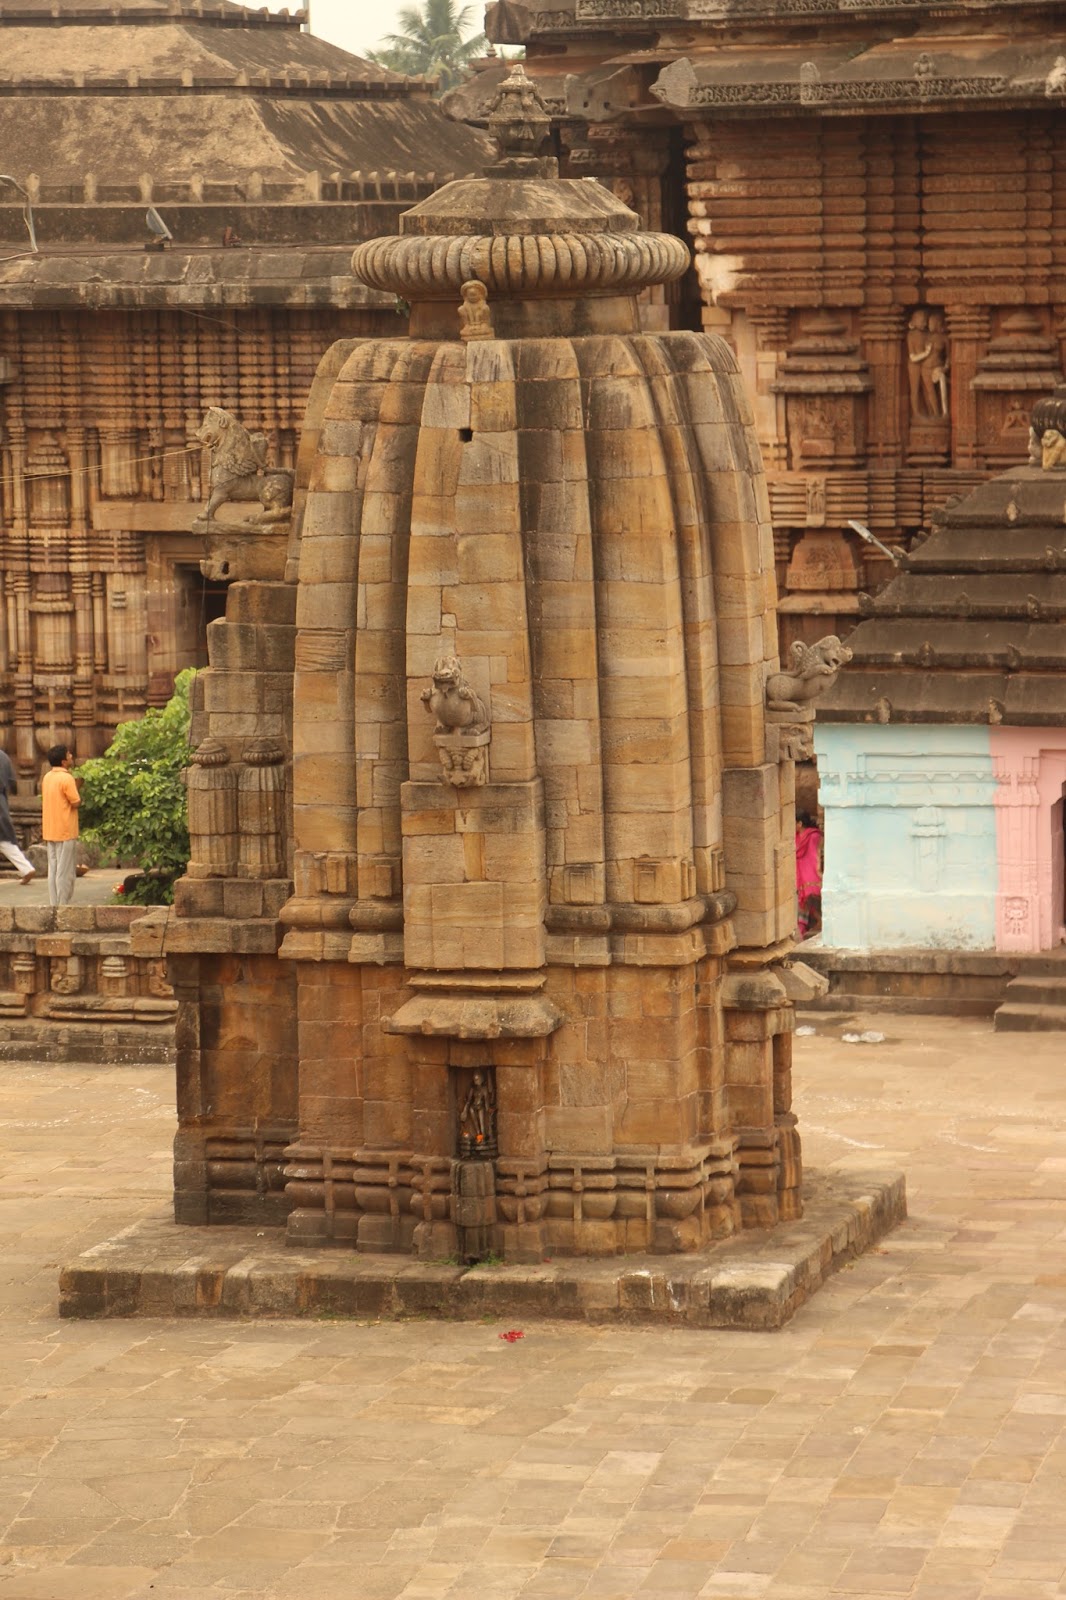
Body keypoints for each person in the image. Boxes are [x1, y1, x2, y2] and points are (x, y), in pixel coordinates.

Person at [41, 744, 81, 906]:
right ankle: (63, 905)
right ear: (64, 761)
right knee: (64, 871)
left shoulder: (47, 777)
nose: (71, 756)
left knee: (54, 869)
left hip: (50, 830)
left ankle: (54, 903)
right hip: (65, 830)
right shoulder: (66, 778)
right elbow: (76, 802)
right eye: (69, 755)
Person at [0, 748, 35, 884]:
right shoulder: (4, 756)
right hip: (1, 800)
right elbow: (12, 782)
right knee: (4, 841)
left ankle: (26, 868)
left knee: (4, 841)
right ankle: (26, 868)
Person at [795, 812, 823, 940]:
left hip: (810, 873)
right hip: (799, 874)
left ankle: (821, 922)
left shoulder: (814, 836)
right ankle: (802, 928)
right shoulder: (796, 837)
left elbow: (815, 854)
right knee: (802, 904)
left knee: (811, 899)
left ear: (800, 823)